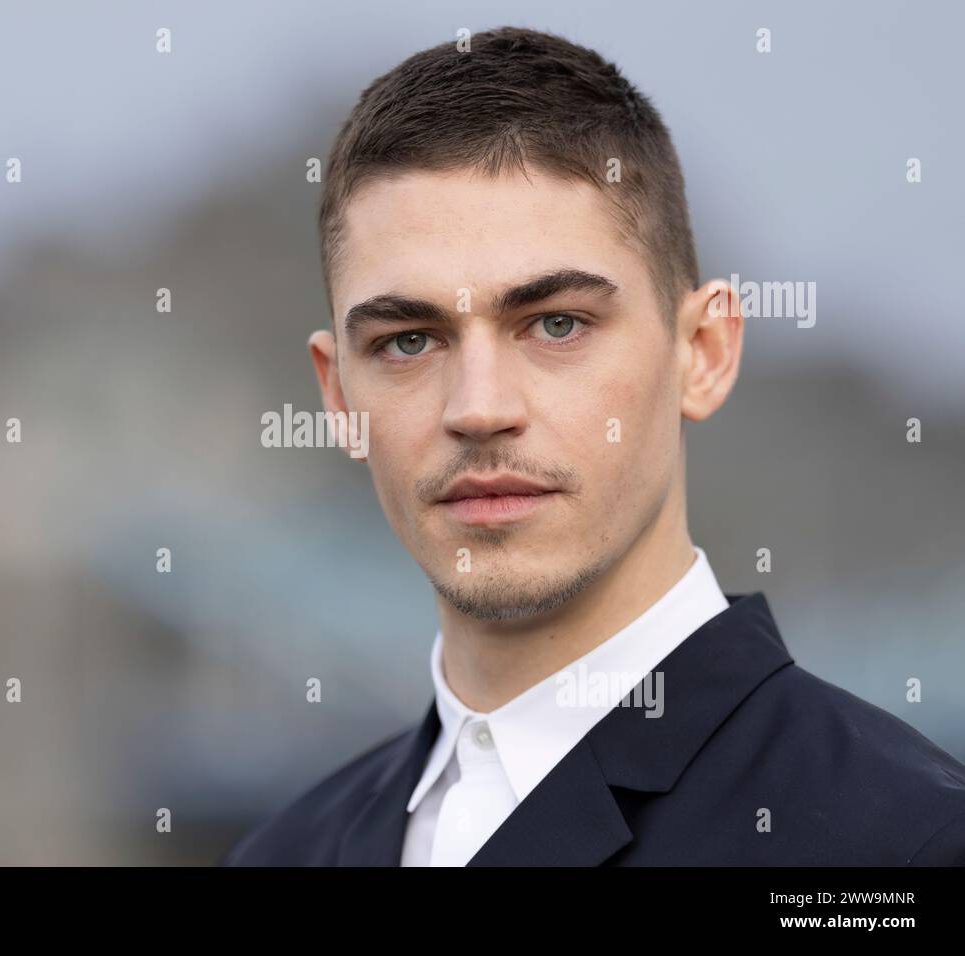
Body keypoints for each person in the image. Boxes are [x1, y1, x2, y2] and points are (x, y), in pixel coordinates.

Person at [221, 26, 965, 866]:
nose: (479, 408)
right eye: (408, 340)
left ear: (704, 353)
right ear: (336, 395)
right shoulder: (278, 854)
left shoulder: (904, 847)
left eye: (556, 323)